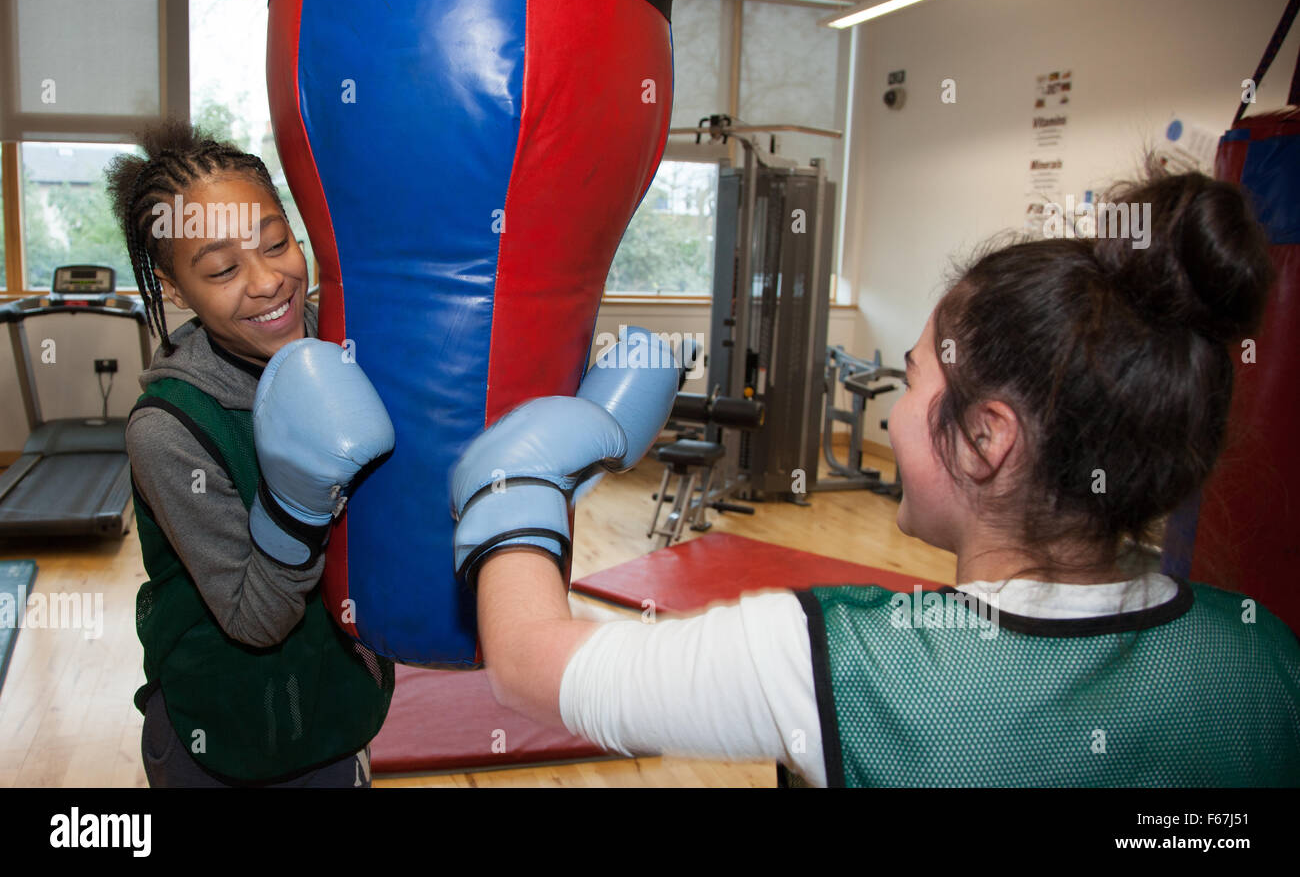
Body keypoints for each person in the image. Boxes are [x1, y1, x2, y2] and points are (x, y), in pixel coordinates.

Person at [451, 163, 1300, 786]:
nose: (893, 413)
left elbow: (532, 666)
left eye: (915, 373)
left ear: (985, 438)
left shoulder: (837, 662)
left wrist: (515, 483)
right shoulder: (1266, 659)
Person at [107, 120, 395, 787]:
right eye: (222, 268)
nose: (268, 281)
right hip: (221, 737)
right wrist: (296, 502)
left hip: (335, 715)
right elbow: (252, 618)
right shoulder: (169, 429)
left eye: (277, 243)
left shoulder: (348, 342)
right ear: (174, 288)